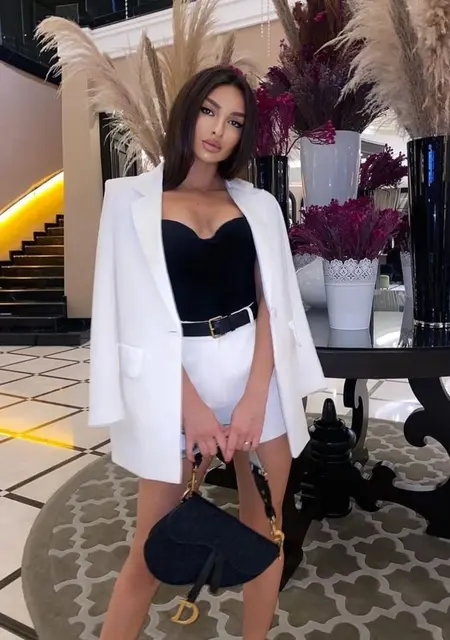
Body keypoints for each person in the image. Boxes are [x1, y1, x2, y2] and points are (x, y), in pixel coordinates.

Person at [88, 65, 325, 640]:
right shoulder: (128, 200)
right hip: (175, 379)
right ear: (187, 112)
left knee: (265, 533)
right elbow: (133, 312)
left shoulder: (259, 204)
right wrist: (191, 408)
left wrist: (254, 398)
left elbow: (272, 303)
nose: (219, 130)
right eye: (209, 112)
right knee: (151, 548)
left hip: (255, 373)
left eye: (236, 121)